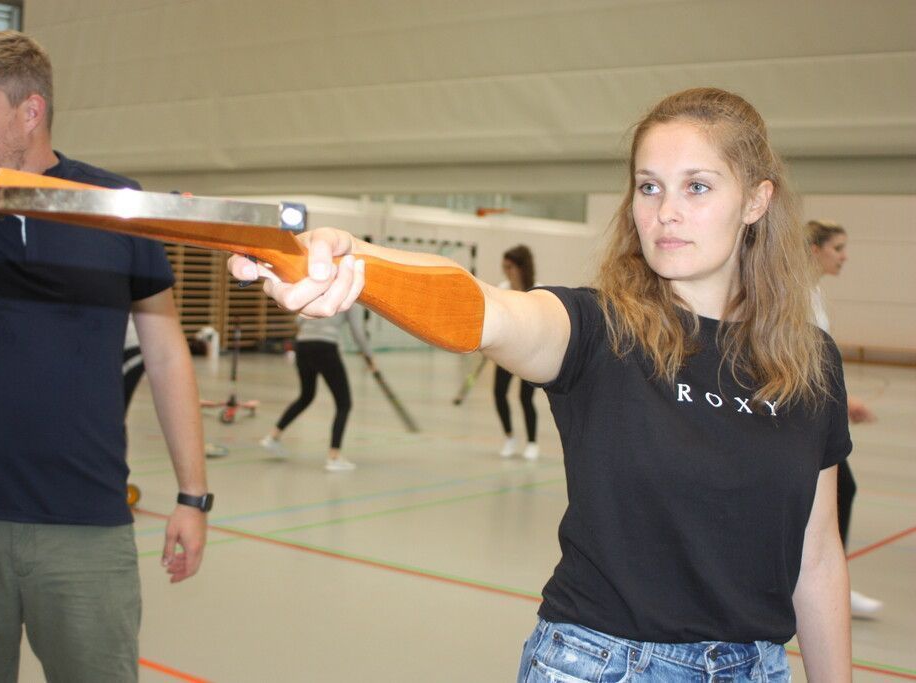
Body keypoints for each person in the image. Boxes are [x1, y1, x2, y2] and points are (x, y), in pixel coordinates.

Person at [231, 88, 852, 680]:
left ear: (756, 200)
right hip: (605, 666)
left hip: (759, 667)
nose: (666, 212)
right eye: (648, 187)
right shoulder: (599, 330)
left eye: (697, 186)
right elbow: (483, 309)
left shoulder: (810, 362)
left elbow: (818, 559)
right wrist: (358, 265)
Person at [0, 31, 209, 681]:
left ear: (29, 112)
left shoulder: (113, 205)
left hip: (84, 525)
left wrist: (192, 495)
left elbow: (167, 352)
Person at [808, 218, 883, 619]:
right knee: (840, 489)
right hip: (798, 417)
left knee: (839, 491)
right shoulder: (796, 292)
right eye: (837, 248)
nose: (844, 256)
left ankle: (831, 581)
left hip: (816, 413)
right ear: (816, 249)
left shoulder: (815, 292)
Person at [260, 305, 374, 471]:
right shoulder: (353, 297)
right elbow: (358, 332)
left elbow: (299, 319)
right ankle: (334, 457)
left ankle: (273, 437)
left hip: (302, 346)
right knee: (344, 404)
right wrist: (370, 357)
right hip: (325, 348)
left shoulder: (320, 291)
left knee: (306, 396)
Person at [495, 245, 541, 460]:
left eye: (510, 267)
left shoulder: (538, 291)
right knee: (499, 393)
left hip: (529, 355)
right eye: (504, 267)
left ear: (522, 267)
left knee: (525, 398)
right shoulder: (501, 289)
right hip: (505, 353)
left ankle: (532, 442)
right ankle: (509, 437)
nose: (506, 271)